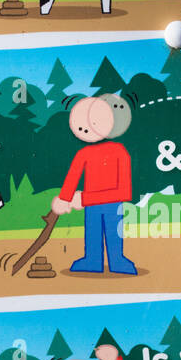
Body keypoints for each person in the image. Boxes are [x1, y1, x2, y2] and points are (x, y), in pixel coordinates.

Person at [52, 94, 137, 275]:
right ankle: (92, 260)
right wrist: (64, 199)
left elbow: (124, 191)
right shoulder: (83, 153)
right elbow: (72, 178)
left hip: (108, 203)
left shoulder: (120, 152)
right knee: (93, 231)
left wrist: (83, 198)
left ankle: (117, 260)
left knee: (114, 231)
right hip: (91, 205)